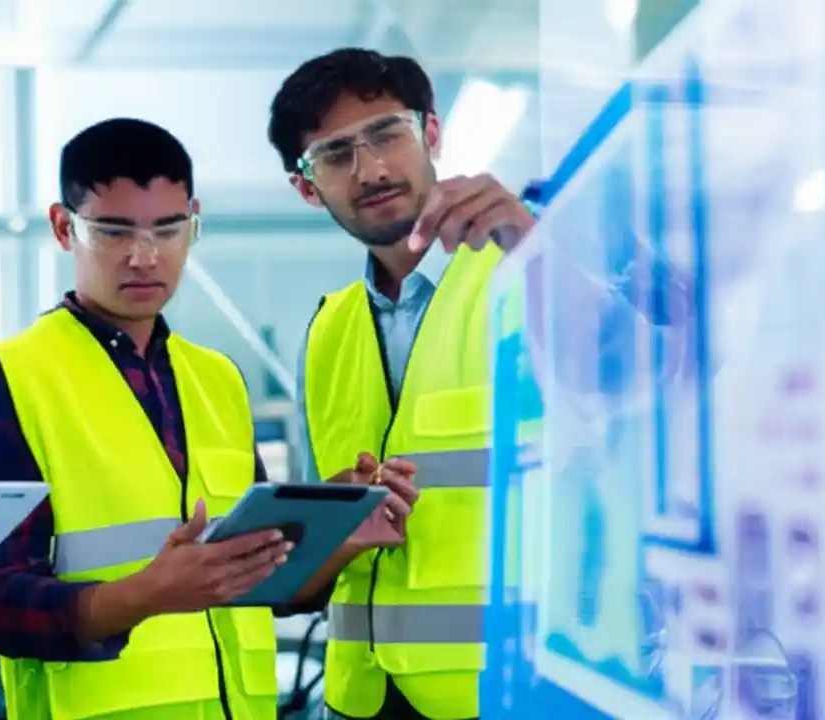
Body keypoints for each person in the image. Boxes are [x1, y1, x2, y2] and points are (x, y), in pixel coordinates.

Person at [267, 48, 695, 720]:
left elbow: (645, 381)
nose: (370, 169)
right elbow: (314, 560)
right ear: (307, 187)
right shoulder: (327, 333)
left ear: (431, 133)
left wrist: (531, 246)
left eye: (387, 134)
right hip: (360, 701)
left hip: (516, 696)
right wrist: (337, 529)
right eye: (336, 154)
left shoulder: (529, 273)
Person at [0, 117, 417, 720]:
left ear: (193, 222)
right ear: (63, 227)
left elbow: (264, 587)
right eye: (113, 232)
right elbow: (2, 606)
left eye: (168, 229)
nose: (144, 256)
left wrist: (338, 532)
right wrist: (149, 593)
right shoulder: (16, 375)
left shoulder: (217, 379)